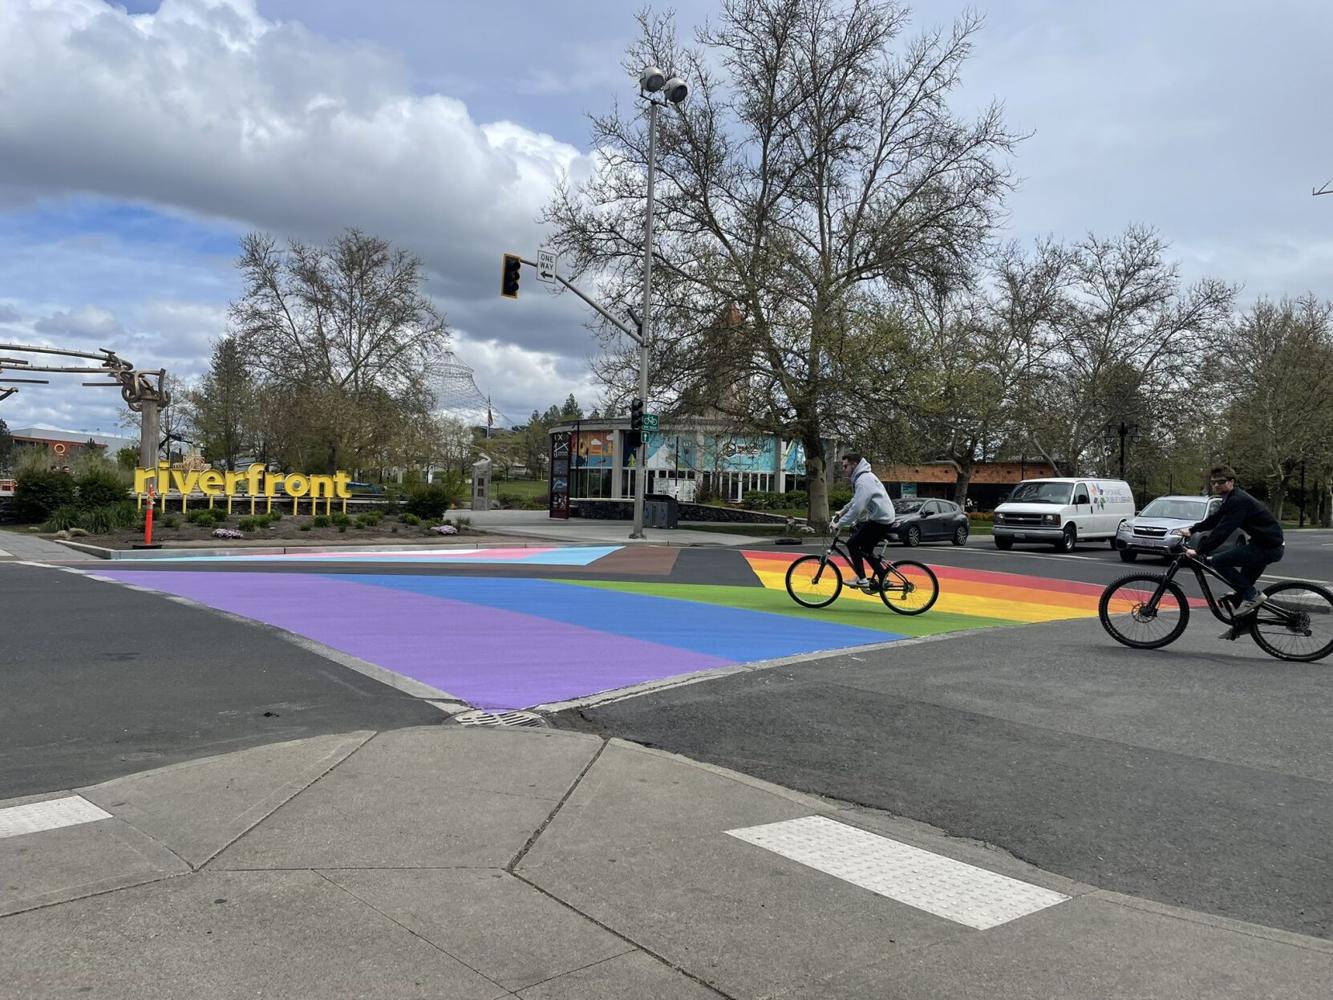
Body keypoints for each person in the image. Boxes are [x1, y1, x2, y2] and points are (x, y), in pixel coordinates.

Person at [1178, 464, 1285, 640]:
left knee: (1219, 561)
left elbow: (1224, 530)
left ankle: (1252, 596)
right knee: (1240, 592)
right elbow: (1216, 519)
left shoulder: (1238, 501)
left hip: (1267, 548)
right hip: (1263, 544)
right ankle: (1243, 625)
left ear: (1231, 482)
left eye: (1221, 482)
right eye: (1214, 483)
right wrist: (1192, 529)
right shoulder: (1230, 499)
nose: (1217, 485)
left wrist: (1199, 550)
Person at [832, 453, 896, 593]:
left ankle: (862, 580)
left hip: (881, 520)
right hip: (882, 517)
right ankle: (883, 577)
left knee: (852, 544)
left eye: (845, 466)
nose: (844, 469)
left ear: (854, 465)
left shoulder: (863, 480)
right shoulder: (863, 477)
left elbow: (858, 508)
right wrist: (842, 511)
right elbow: (856, 500)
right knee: (866, 551)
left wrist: (840, 524)